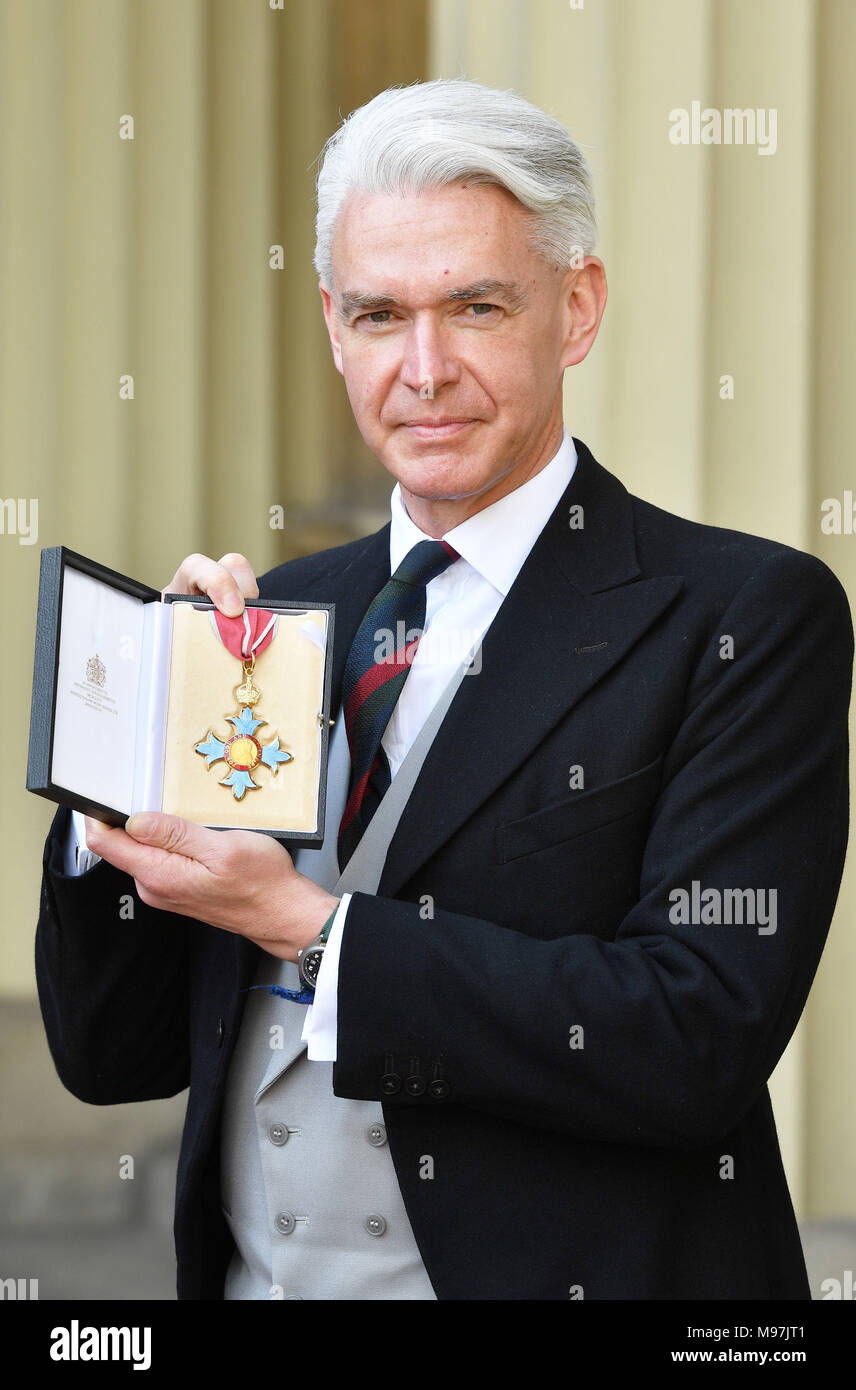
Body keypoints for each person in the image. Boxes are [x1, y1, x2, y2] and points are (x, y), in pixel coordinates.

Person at [36, 78, 852, 1300]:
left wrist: (312, 928)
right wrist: (122, 773)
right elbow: (113, 1057)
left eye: (475, 306)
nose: (422, 369)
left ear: (575, 310)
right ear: (330, 326)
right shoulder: (273, 618)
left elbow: (697, 1036)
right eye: (378, 315)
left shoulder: (739, 615)